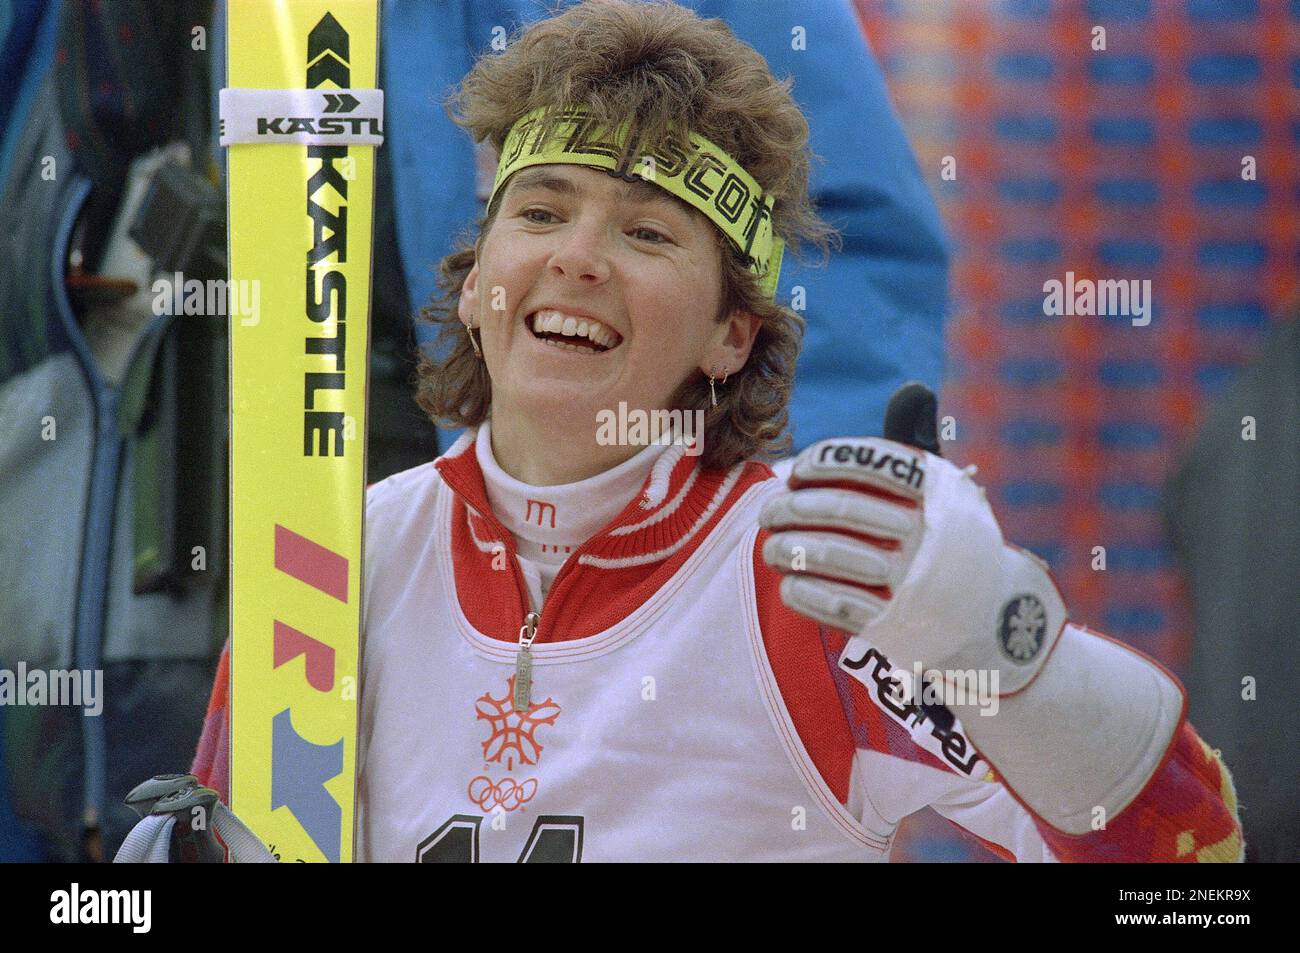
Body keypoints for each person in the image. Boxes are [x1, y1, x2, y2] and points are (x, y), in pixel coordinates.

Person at [185, 0, 1241, 862]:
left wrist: (1002, 643)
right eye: (541, 212)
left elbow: (1177, 850)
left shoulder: (805, 580)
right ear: (474, 286)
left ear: (731, 336)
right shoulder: (341, 560)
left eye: (646, 232)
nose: (577, 258)